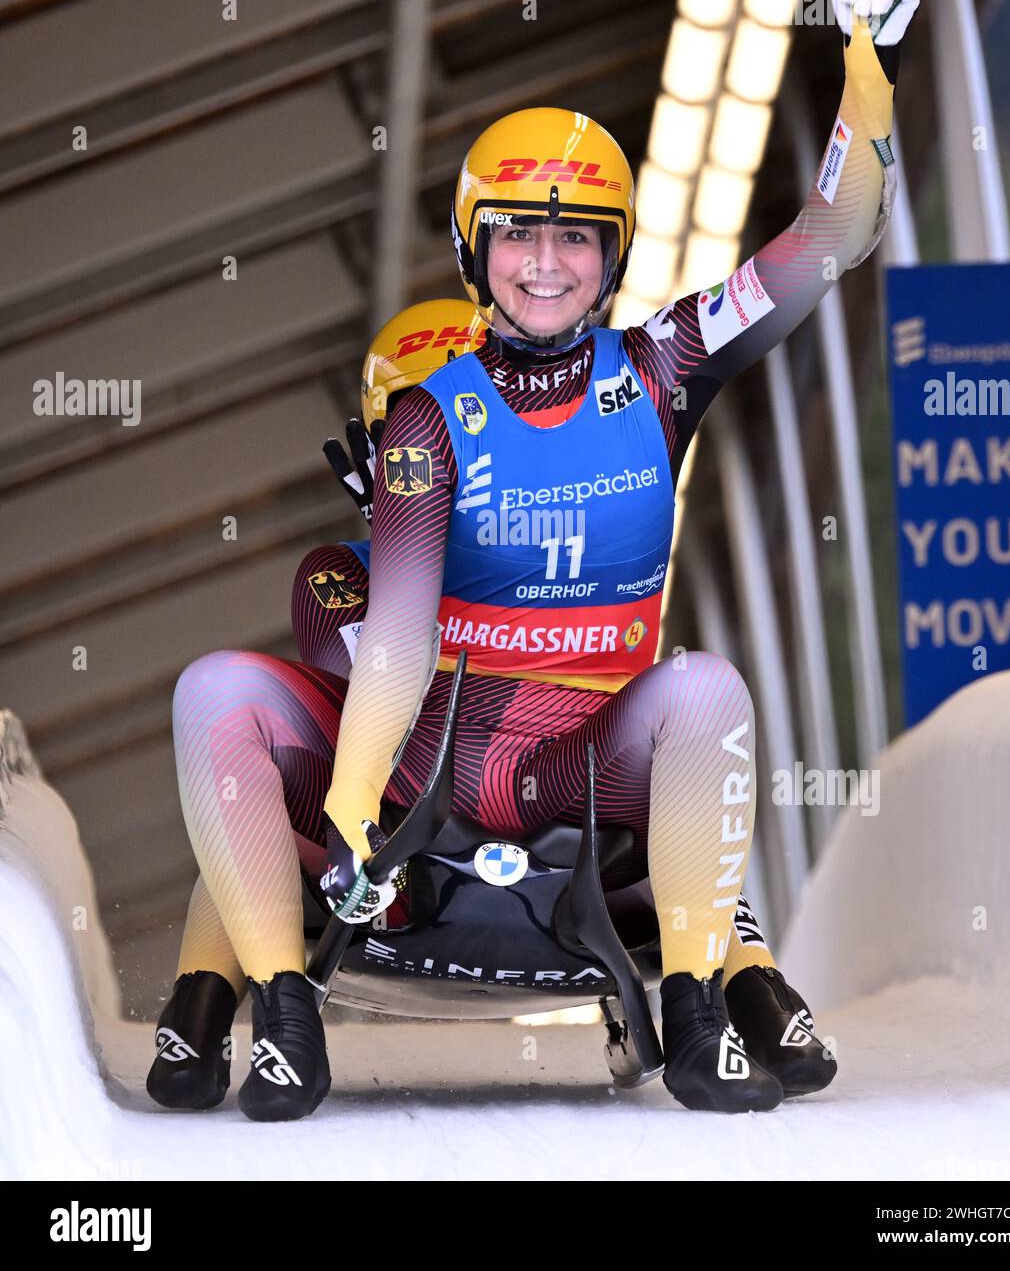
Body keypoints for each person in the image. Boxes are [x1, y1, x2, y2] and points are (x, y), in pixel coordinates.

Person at [153, 0, 921, 1120]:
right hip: (433, 762)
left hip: (582, 765)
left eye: (574, 238)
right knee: (213, 689)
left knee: (707, 689)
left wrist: (867, 75)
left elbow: (829, 240)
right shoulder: (429, 416)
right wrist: (358, 802)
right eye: (520, 235)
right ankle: (282, 1012)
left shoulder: (669, 365)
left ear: (611, 256)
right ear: (478, 252)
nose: (547, 264)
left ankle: (705, 1002)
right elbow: (396, 642)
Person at [149, 300, 833, 1115]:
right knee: (235, 783)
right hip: (404, 848)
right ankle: (248, 1014)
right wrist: (415, 546)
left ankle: (740, 993)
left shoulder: (577, 550)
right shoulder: (337, 572)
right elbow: (372, 698)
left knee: (697, 736)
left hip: (567, 815)